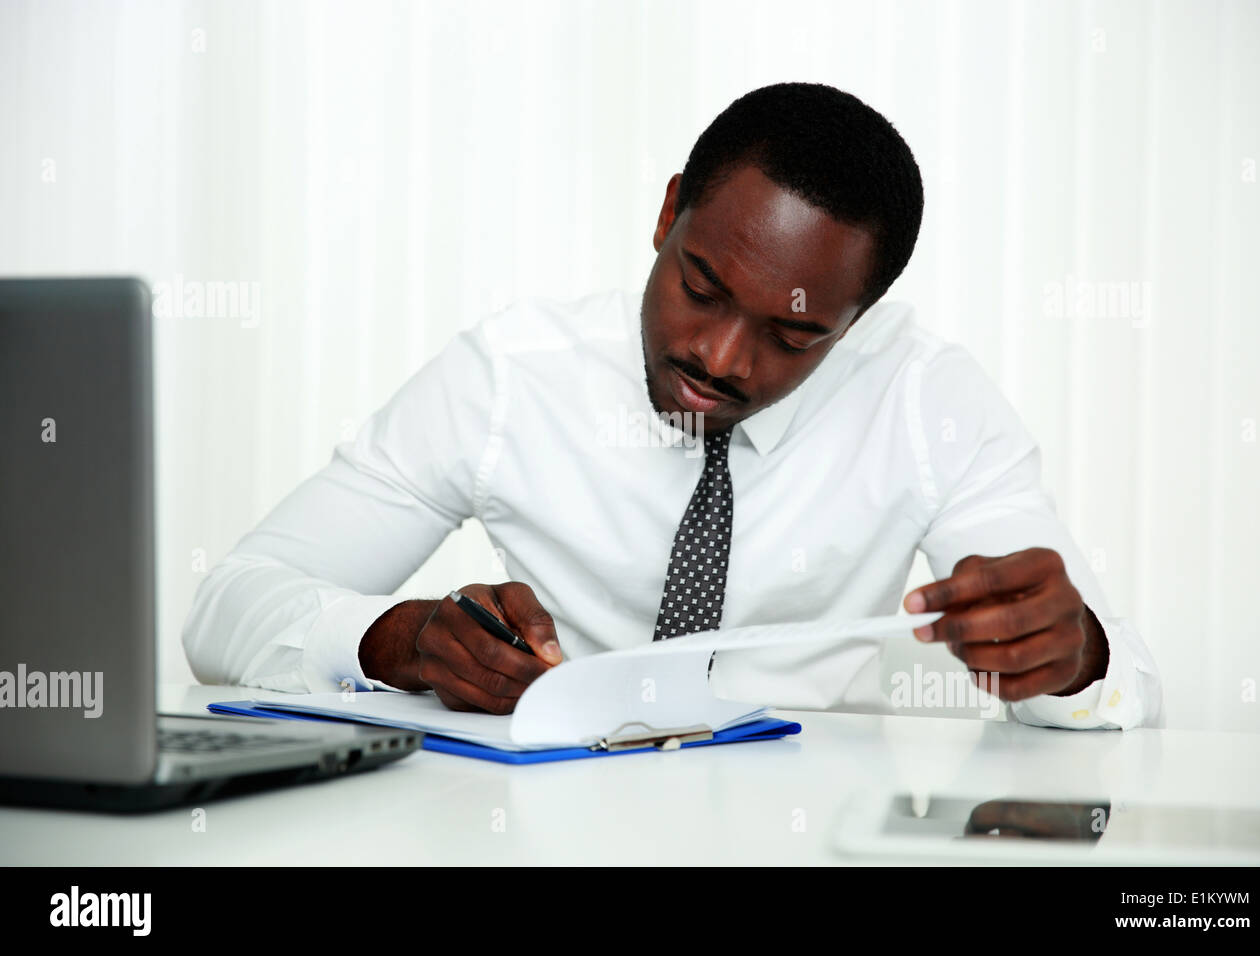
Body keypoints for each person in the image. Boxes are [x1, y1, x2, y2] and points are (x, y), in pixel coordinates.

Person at [183, 82, 1162, 730]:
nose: (716, 357)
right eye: (699, 285)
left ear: (856, 321)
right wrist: (396, 640)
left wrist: (1071, 655)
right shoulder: (510, 377)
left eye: (791, 334)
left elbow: (1131, 697)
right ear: (667, 215)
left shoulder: (926, 401)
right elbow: (228, 606)